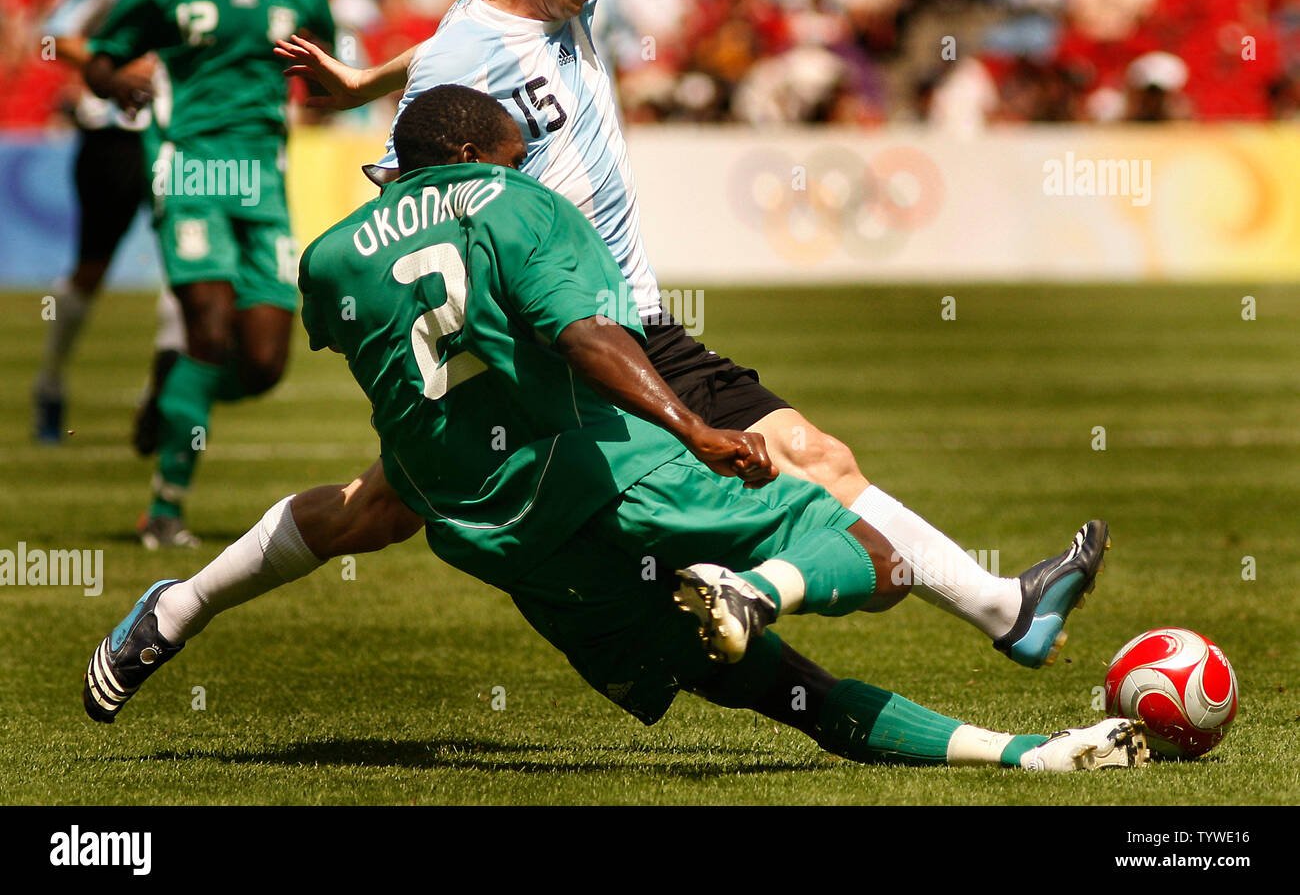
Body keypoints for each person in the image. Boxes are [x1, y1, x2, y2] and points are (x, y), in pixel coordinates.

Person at [83, 87, 1147, 774]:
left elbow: (396, 356)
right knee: (868, 553)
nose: (525, 165)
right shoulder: (518, 203)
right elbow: (588, 334)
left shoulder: (329, 256)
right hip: (605, 474)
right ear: (478, 152)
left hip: (492, 532)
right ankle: (757, 589)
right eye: (514, 152)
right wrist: (691, 426)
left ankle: (1030, 759)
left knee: (777, 690)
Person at [272, 0, 1105, 671]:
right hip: (576, 332)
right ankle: (786, 607)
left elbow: (452, 45)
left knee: (811, 459)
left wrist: (362, 81)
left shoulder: (553, 3)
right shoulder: (469, 49)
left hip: (623, 317)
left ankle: (1004, 609)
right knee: (386, 510)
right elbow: (422, 180)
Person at [84, 0, 335, 548]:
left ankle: (171, 395)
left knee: (263, 364)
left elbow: (327, 73)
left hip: (264, 183)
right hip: (191, 171)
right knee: (209, 327)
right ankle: (166, 508)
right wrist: (119, 82)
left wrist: (331, 97)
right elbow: (100, 60)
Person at [31, 0, 191, 446]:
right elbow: (54, 35)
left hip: (179, 138)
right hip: (112, 137)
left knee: (186, 266)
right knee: (91, 269)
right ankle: (50, 381)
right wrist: (112, 65)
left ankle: (159, 399)